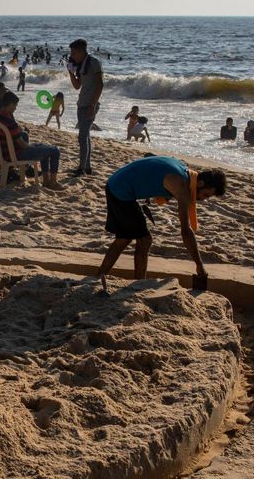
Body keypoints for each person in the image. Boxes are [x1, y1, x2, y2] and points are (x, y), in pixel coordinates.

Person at [95, 156, 227, 292]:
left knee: (124, 238)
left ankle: (98, 278)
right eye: (205, 195)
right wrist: (199, 264)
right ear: (200, 184)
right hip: (121, 191)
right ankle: (139, 285)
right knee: (144, 240)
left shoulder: (184, 170)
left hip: (115, 182)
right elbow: (186, 232)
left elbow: (151, 159)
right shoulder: (182, 187)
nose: (202, 200)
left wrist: (146, 187)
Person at [0, 92, 62, 189]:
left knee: (45, 147)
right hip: (15, 155)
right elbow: (23, 145)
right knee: (55, 150)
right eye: (15, 105)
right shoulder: (9, 121)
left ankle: (46, 181)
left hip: (3, 153)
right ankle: (53, 182)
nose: (15, 108)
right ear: (10, 104)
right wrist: (31, 147)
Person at [68, 39, 103, 176]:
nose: (73, 55)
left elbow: (100, 85)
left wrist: (93, 105)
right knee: (85, 136)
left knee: (82, 137)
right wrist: (71, 73)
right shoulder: (81, 65)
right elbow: (77, 86)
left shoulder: (94, 63)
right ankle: (87, 167)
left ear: (82, 51)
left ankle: (81, 168)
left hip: (90, 104)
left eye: (75, 52)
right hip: (81, 103)